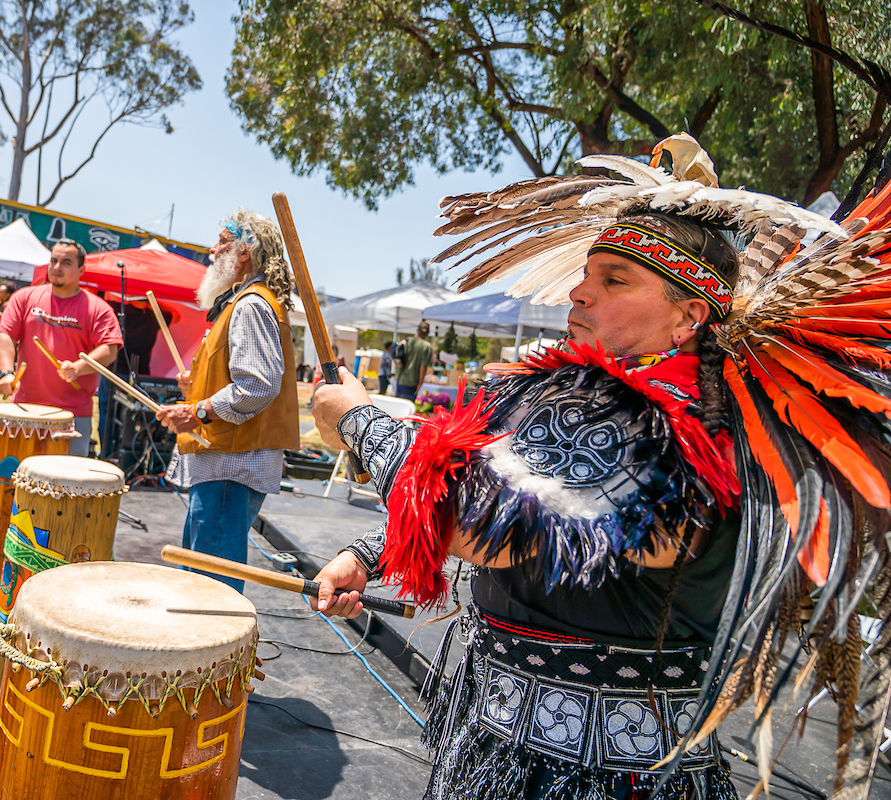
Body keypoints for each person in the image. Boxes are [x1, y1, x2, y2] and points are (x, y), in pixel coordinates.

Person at [309, 140, 766, 799]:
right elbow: (511, 482)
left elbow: (480, 522)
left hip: (599, 779)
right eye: (588, 273)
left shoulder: (681, 430)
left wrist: (357, 419)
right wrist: (372, 552)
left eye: (615, 280)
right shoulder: (579, 396)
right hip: (506, 743)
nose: (579, 292)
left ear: (689, 316)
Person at [154, 209, 300, 593]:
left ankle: (216, 655)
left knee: (210, 590)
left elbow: (257, 385)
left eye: (221, 241)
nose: (211, 249)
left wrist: (198, 410)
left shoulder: (251, 305)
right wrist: (197, 389)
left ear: (244, 252)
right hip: (227, 463)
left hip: (230, 467)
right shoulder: (244, 302)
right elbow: (244, 380)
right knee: (202, 580)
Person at [0, 239, 122, 457]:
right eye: (53, 260)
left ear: (82, 269)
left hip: (71, 415)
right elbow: (5, 334)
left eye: (65, 262)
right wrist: (6, 373)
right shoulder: (25, 297)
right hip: (25, 408)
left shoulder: (98, 308)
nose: (56, 267)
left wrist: (78, 368)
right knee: (16, 479)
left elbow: (109, 348)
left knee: (62, 484)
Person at [395, 320, 432, 401]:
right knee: (406, 410)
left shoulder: (407, 340)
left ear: (417, 330)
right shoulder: (426, 346)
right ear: (427, 333)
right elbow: (423, 367)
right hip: (411, 382)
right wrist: (420, 384)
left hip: (400, 379)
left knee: (397, 408)